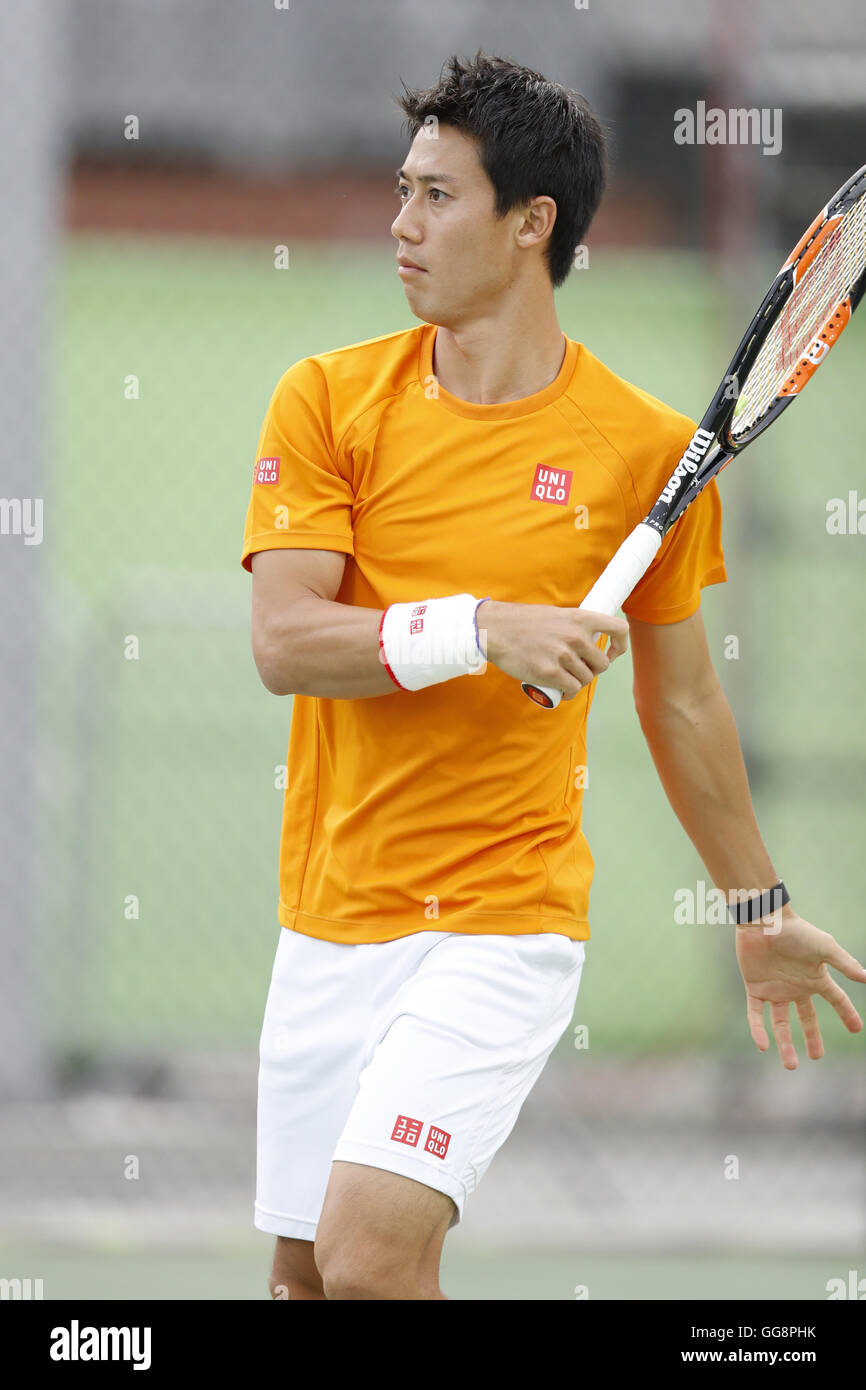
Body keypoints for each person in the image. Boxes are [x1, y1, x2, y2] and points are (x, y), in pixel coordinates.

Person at [240, 51, 866, 1302]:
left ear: (531, 225)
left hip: (498, 923)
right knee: (306, 1282)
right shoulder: (325, 399)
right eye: (401, 190)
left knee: (369, 1258)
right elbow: (285, 642)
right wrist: (480, 627)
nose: (400, 225)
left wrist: (756, 911)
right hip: (327, 915)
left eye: (436, 197)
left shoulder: (638, 452)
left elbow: (680, 698)